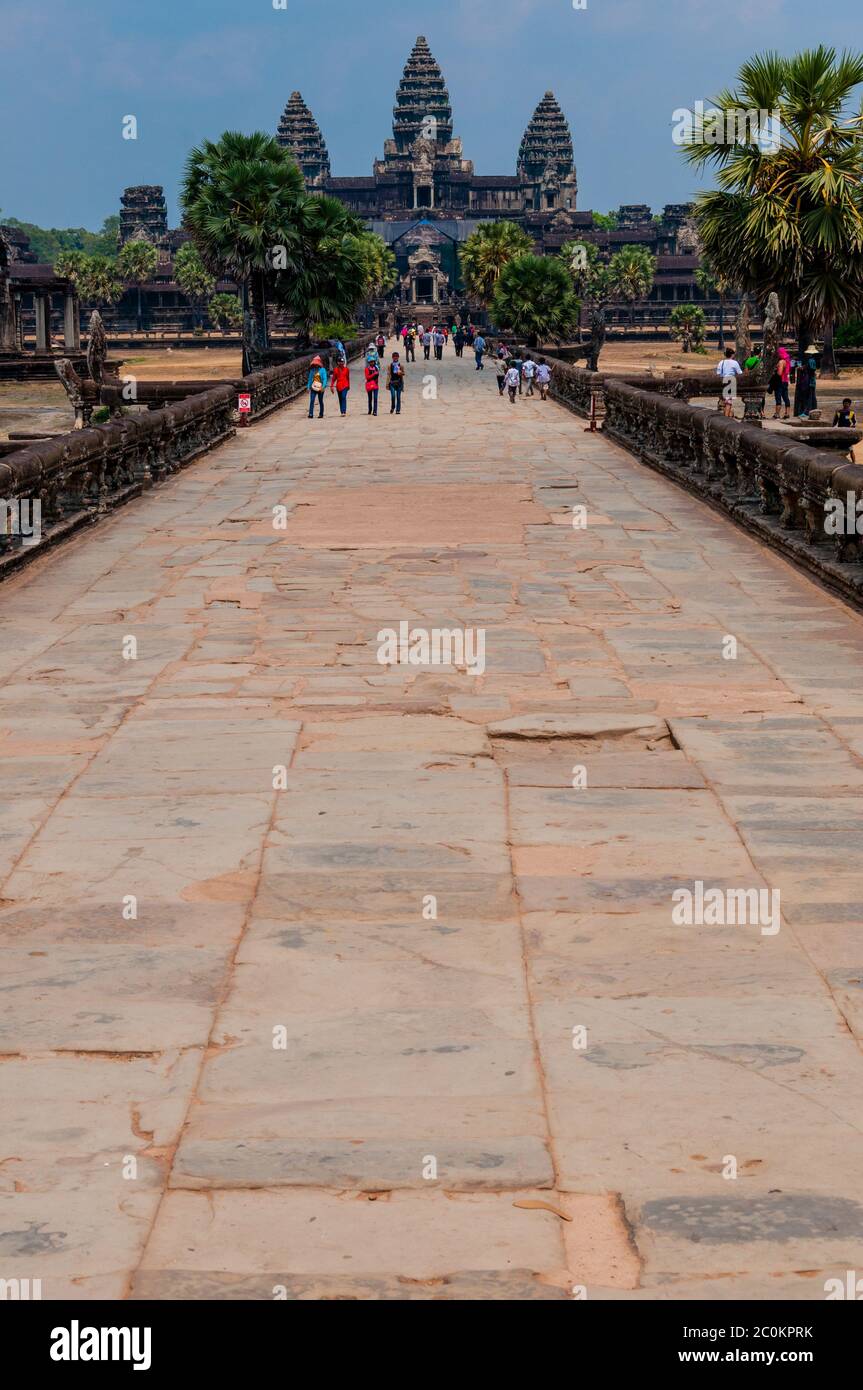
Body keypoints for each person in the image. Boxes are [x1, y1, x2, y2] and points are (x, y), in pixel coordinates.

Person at [715, 347, 742, 418]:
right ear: (732, 355)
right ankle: (726, 418)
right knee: (728, 402)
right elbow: (740, 373)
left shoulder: (721, 362)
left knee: (724, 401)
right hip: (731, 381)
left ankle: (726, 416)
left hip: (722, 381)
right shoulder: (734, 363)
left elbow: (718, 373)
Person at [770, 347, 792, 420]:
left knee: (778, 398)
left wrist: (774, 372)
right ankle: (787, 413)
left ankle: (777, 414)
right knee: (786, 397)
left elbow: (779, 373)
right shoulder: (787, 361)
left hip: (780, 381)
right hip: (785, 381)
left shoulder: (781, 362)